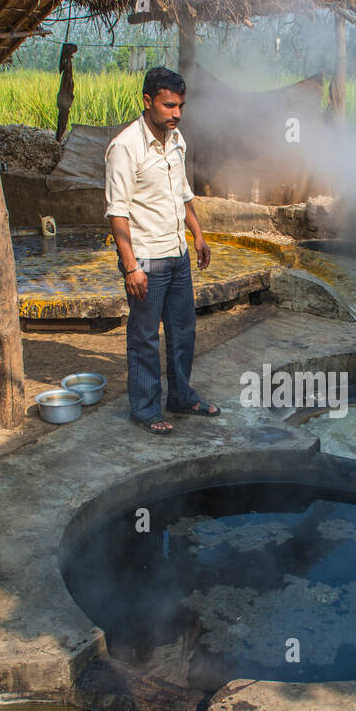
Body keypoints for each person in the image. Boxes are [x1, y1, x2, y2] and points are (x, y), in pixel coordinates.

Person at [105, 66, 217, 436]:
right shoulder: (125, 147)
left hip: (178, 253)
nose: (177, 114)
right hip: (147, 261)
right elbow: (118, 215)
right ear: (148, 101)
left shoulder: (176, 140)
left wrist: (197, 236)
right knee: (144, 337)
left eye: (181, 106)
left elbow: (182, 195)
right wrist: (130, 267)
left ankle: (181, 396)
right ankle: (145, 408)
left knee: (184, 331)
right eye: (170, 105)